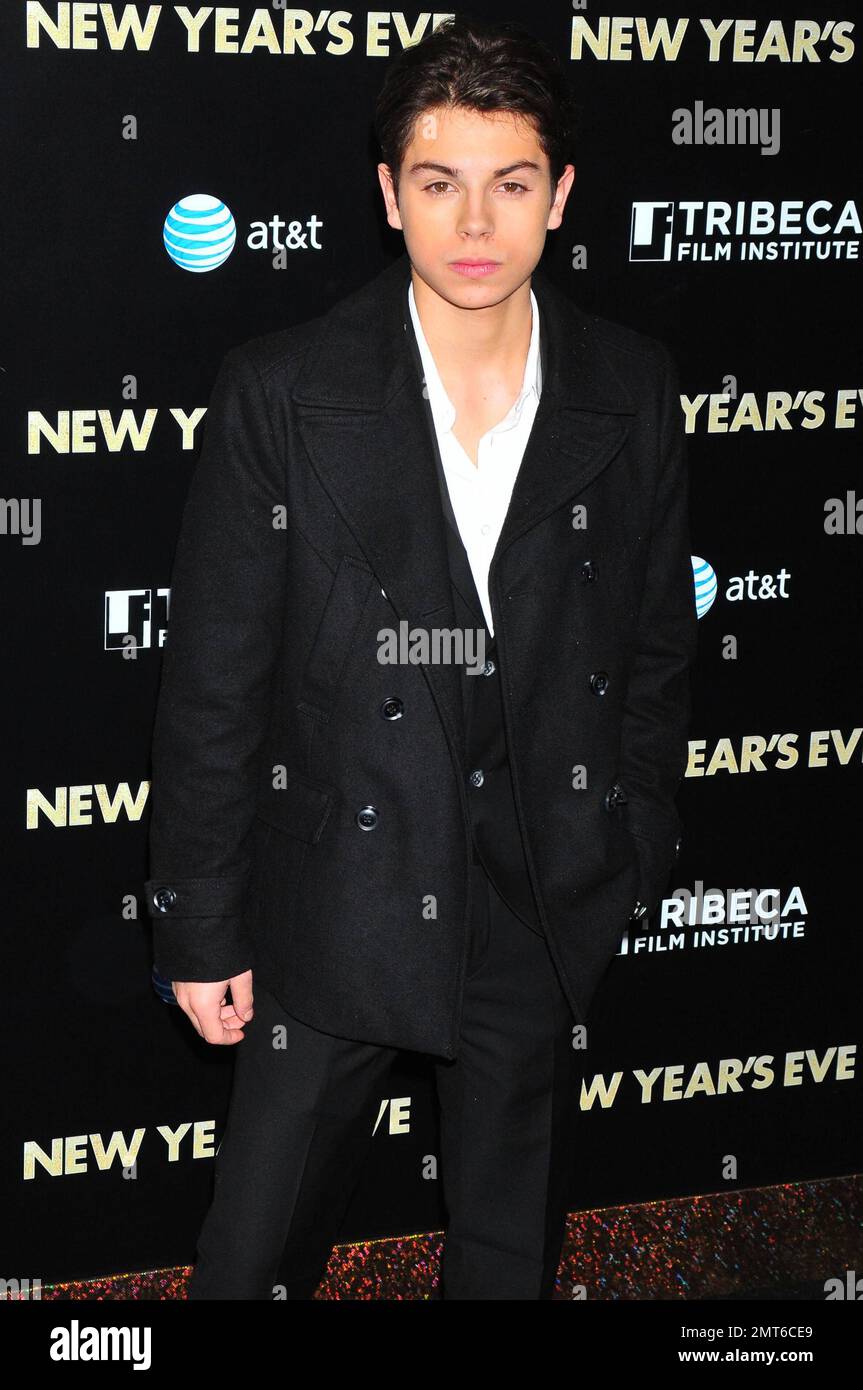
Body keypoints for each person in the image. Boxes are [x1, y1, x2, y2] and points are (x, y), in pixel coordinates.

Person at [144, 13, 697, 1300]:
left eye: (510, 185)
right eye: (439, 182)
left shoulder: (631, 383)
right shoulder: (281, 390)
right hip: (335, 890)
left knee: (510, 1257)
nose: (474, 224)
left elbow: (655, 649)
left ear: (559, 198)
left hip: (537, 897)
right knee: (251, 1255)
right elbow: (214, 681)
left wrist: (632, 844)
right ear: (388, 194)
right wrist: (197, 922)